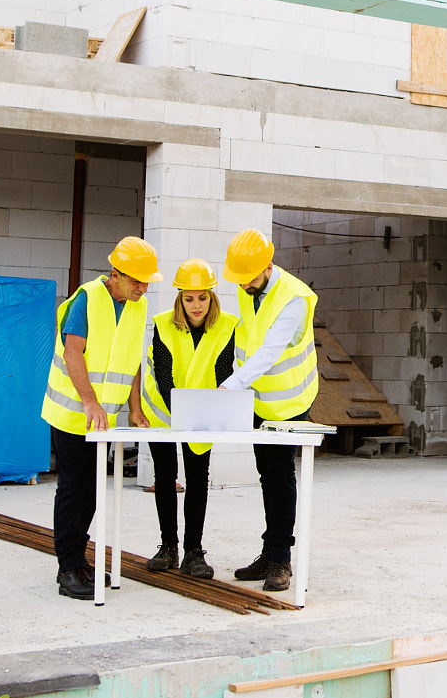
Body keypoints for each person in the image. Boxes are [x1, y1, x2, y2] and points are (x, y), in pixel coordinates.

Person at [41, 236, 160, 601]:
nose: (142, 288)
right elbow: (73, 352)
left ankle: (79, 560)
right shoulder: (86, 299)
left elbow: (131, 361)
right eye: (137, 281)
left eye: (146, 282)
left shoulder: (136, 308)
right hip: (71, 414)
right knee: (73, 490)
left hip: (101, 420)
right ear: (116, 274)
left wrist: (135, 407)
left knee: (92, 493)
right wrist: (90, 402)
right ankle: (68, 568)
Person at [218, 228, 320, 593]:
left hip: (290, 402)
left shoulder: (294, 298)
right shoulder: (250, 286)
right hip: (260, 400)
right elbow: (246, 337)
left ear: (268, 266)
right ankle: (270, 551)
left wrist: (231, 385)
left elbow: (270, 350)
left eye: (248, 279)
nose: (242, 286)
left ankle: (280, 560)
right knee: (267, 476)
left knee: (280, 476)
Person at [135, 259, 238, 579]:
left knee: (197, 478)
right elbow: (163, 375)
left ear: (212, 298)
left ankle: (194, 551)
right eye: (189, 298)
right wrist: (183, 413)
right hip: (162, 411)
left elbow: (224, 373)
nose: (196, 305)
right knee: (165, 478)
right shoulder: (163, 324)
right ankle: (169, 547)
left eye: (202, 298)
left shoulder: (226, 326)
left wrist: (216, 413)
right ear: (180, 298)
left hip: (202, 413)